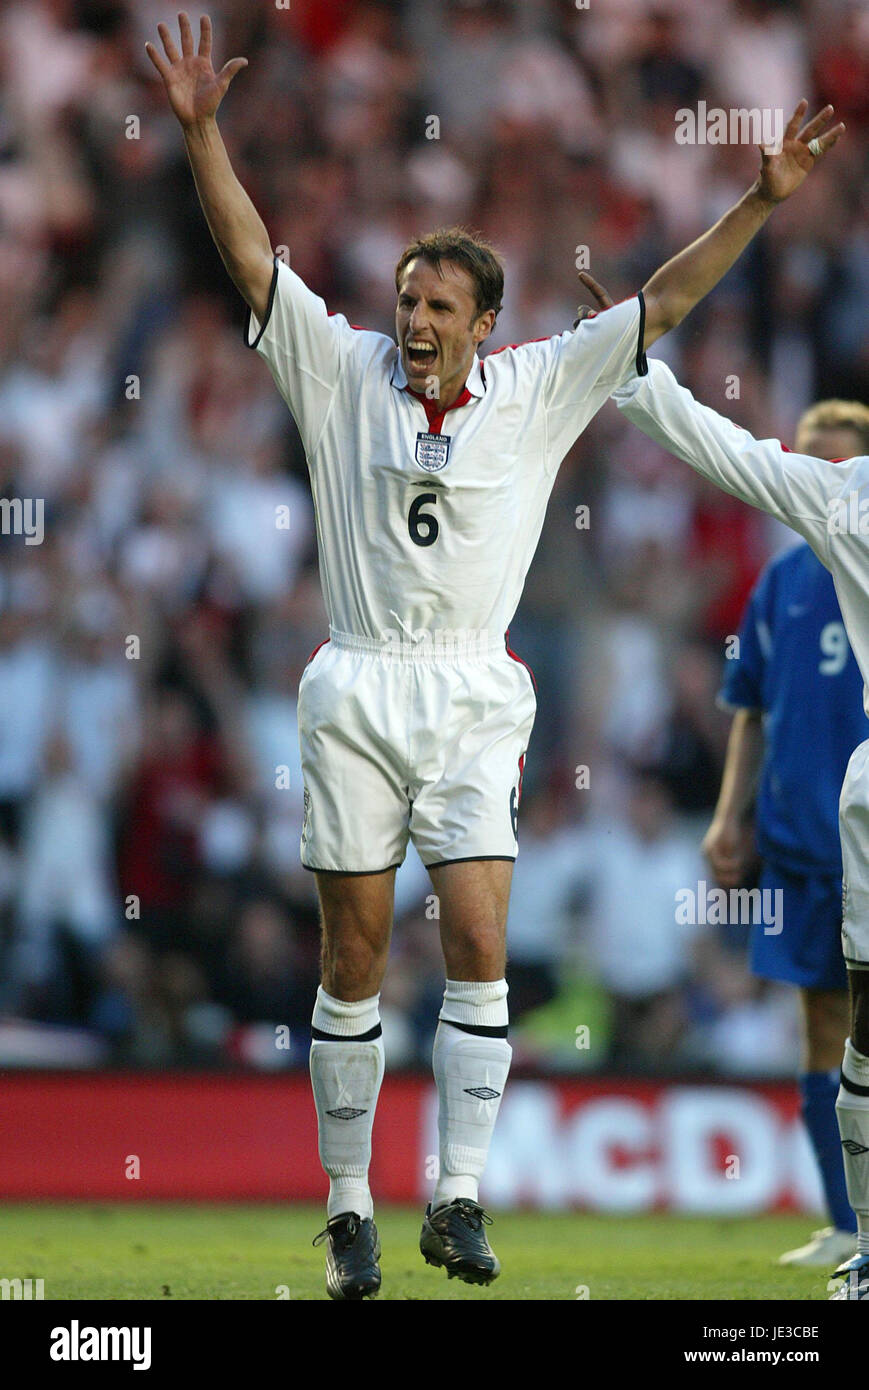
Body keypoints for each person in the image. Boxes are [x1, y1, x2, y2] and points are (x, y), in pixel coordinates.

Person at [146, 11, 842, 1299]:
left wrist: (754, 202)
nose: (411, 319)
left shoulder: (538, 385)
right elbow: (249, 258)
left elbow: (664, 299)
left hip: (473, 688)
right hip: (355, 681)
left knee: (477, 936)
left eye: (436, 306)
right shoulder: (337, 366)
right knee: (351, 958)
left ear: (482, 324)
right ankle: (349, 1206)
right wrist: (199, 134)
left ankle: (455, 1196)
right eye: (406, 298)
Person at [605, 340, 869, 1302]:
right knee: (852, 1026)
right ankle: (862, 1238)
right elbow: (730, 453)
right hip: (852, 809)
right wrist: (634, 374)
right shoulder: (846, 500)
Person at [704, 399, 869, 1267]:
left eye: (834, 462)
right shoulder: (778, 582)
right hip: (800, 841)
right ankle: (847, 1223)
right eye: (806, 460)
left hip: (864, 836)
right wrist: (729, 814)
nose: (816, 479)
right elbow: (749, 710)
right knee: (819, 1024)